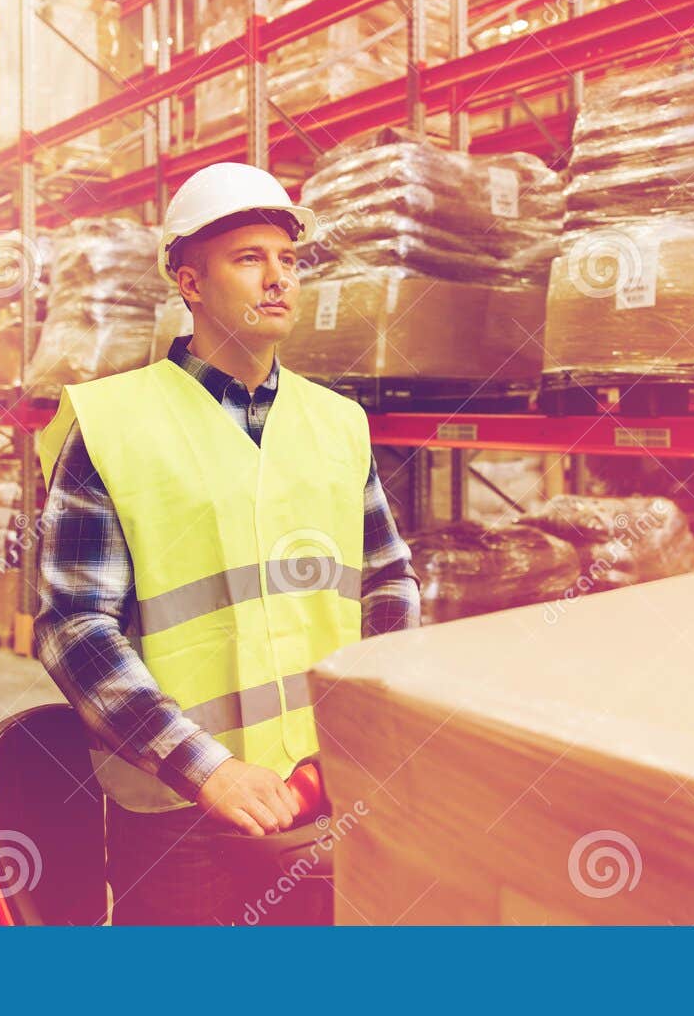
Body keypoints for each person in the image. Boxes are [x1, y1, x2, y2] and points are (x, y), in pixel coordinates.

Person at [33, 161, 420, 924]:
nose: (277, 279)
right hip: (179, 811)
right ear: (190, 282)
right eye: (249, 258)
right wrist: (205, 768)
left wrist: (358, 737)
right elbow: (73, 626)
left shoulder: (338, 421)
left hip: (324, 785)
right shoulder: (113, 424)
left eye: (288, 260)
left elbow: (389, 581)